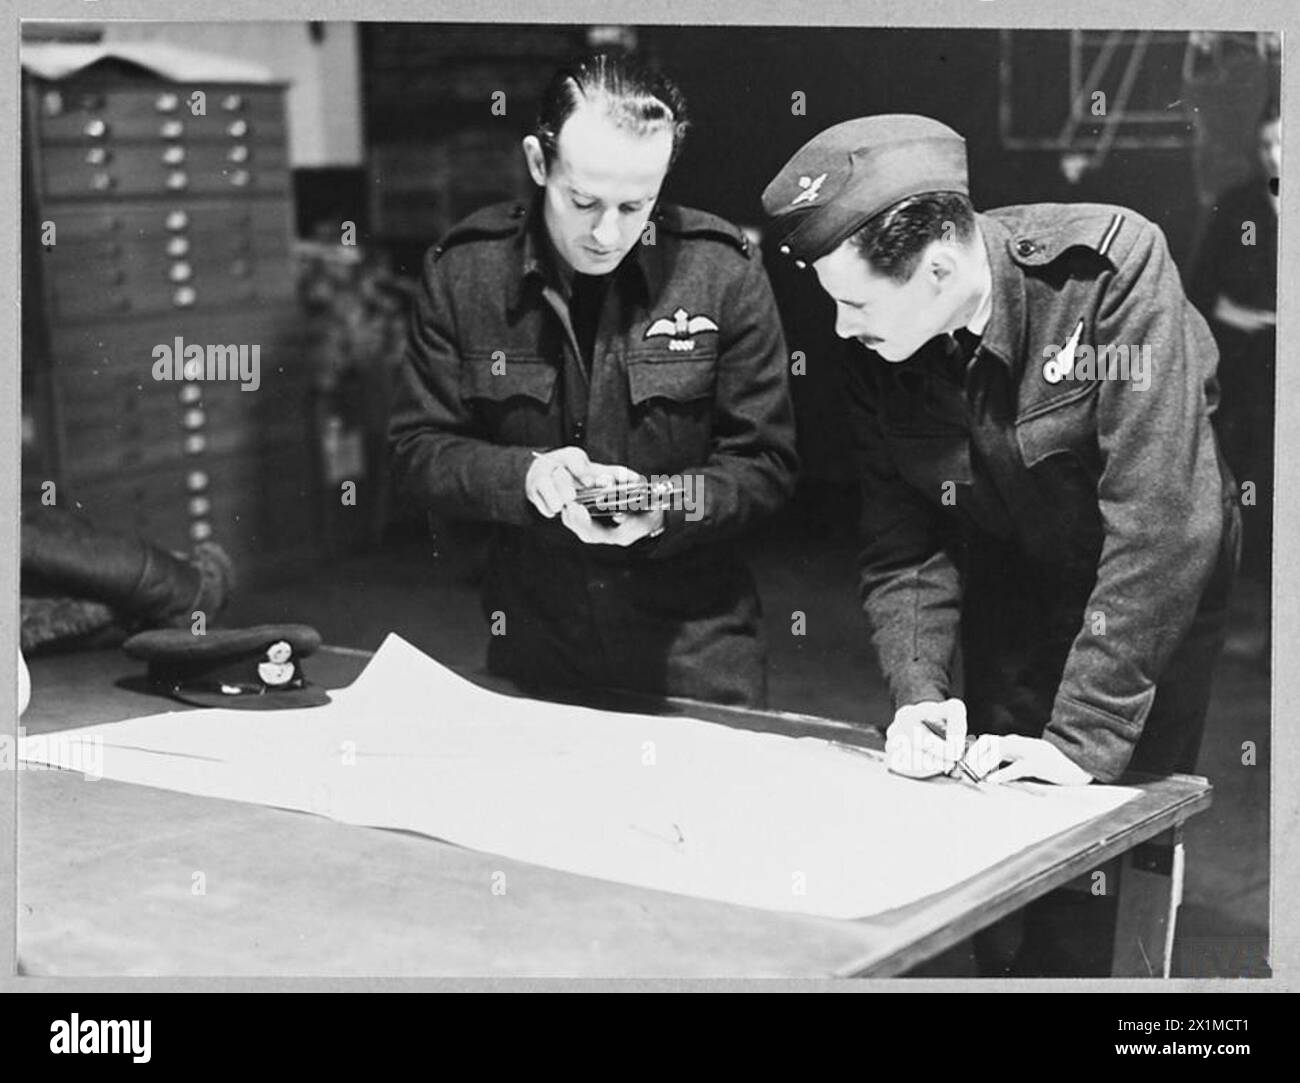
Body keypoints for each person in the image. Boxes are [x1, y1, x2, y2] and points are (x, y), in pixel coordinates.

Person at [762, 115, 1239, 974]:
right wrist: (920, 692)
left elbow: (1164, 518)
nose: (837, 329)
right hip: (1014, 566)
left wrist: (1083, 740)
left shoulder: (1108, 272)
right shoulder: (885, 339)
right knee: (992, 855)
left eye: (854, 302)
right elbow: (905, 535)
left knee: (1100, 861)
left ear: (940, 269)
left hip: (1150, 586)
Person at [389, 53, 797, 706]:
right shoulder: (464, 274)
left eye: (637, 204)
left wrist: (664, 502)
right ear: (537, 162)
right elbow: (417, 449)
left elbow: (765, 463)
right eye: (584, 201)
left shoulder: (722, 272)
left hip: (695, 652)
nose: (609, 233)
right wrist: (524, 474)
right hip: (535, 646)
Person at [1190, 95, 1278, 664]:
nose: (1276, 154)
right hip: (1251, 381)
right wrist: (1255, 319)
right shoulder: (1239, 206)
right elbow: (1202, 294)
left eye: (1285, 143)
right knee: (1250, 500)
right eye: (1267, 144)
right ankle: (1254, 625)